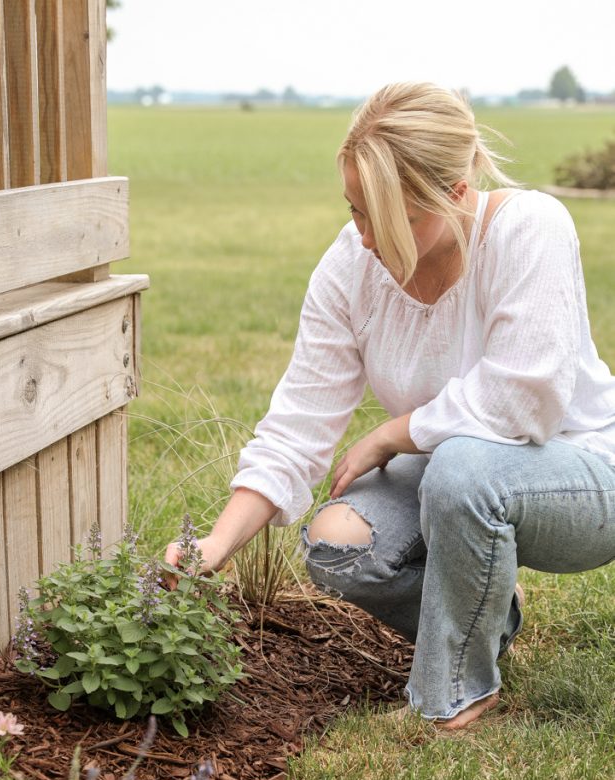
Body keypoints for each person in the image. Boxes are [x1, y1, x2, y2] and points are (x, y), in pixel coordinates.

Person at [165, 82, 615, 729]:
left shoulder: (530, 227)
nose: (367, 236)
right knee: (337, 542)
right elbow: (299, 421)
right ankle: (492, 609)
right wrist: (216, 542)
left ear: (456, 191)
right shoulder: (353, 265)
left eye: (389, 215)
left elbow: (527, 400)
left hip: (583, 474)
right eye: (355, 210)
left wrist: (396, 432)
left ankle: (452, 695)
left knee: (462, 467)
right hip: (454, 477)